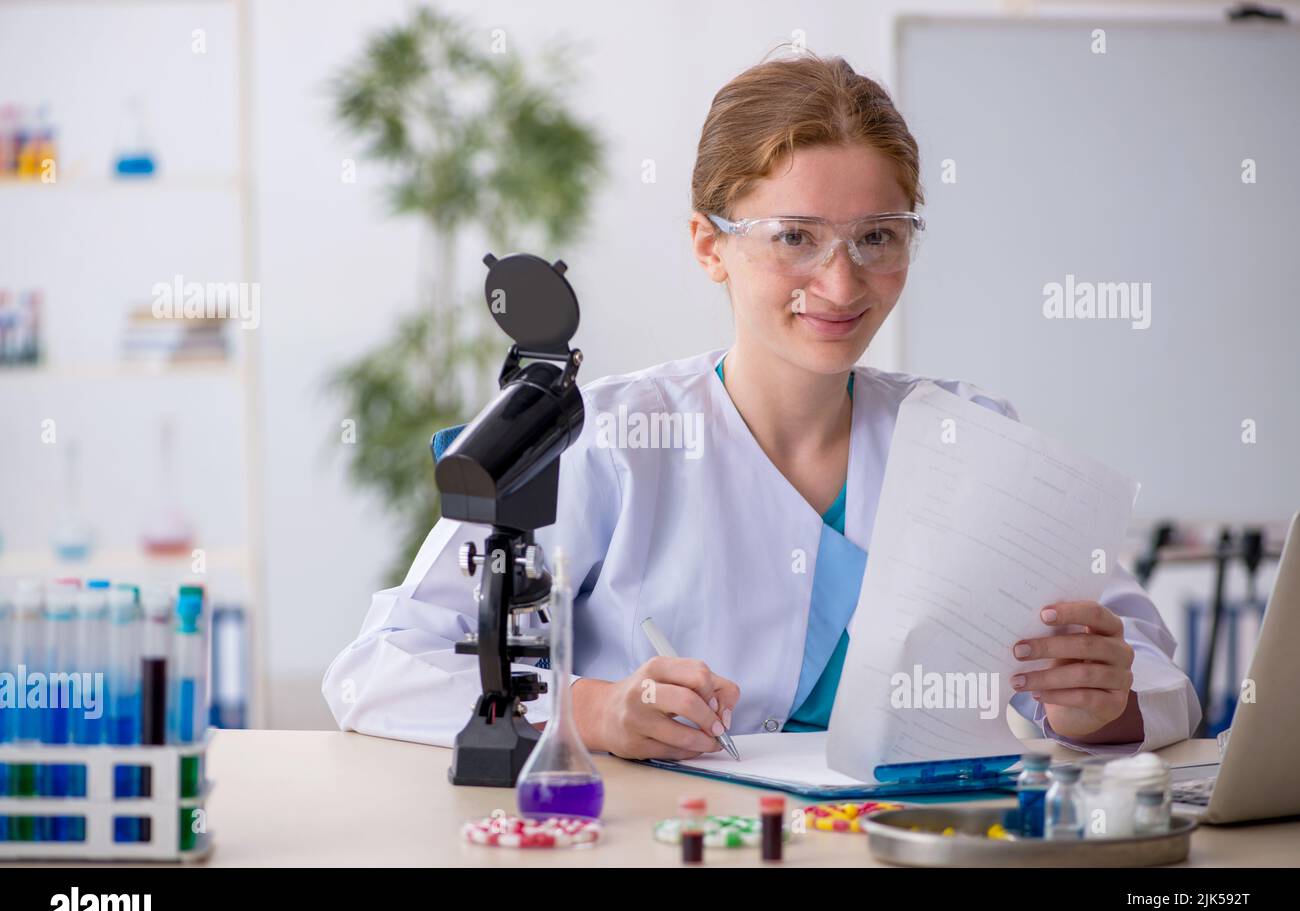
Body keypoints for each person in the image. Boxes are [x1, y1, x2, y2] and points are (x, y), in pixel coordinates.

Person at [323, 51, 1200, 762]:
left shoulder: (973, 440)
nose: (842, 280)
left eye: (878, 238)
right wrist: (589, 710)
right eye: (795, 237)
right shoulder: (607, 438)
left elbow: (1163, 680)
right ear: (710, 244)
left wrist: (1102, 707)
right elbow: (379, 664)